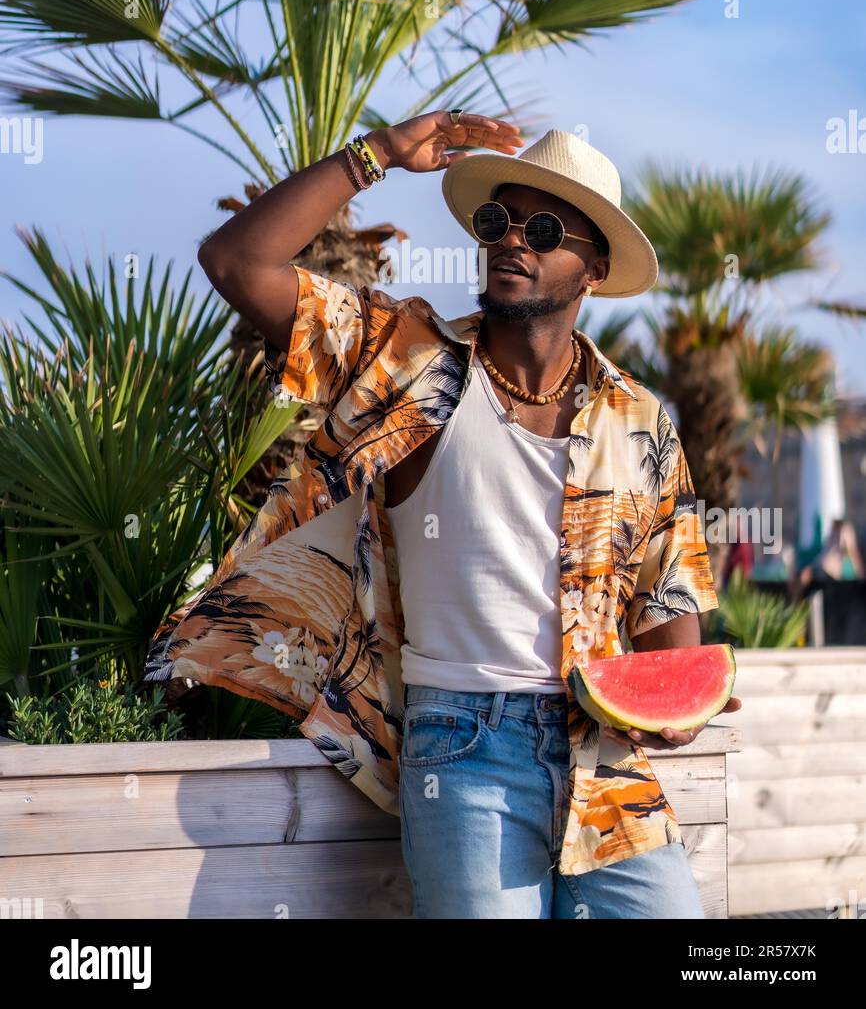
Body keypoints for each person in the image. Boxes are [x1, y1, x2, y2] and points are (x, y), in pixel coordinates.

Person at [144, 110, 740, 919]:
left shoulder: (641, 419)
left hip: (605, 757)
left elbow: (668, 601)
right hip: (461, 749)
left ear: (593, 266)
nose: (511, 242)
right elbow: (236, 260)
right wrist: (378, 153)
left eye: (541, 228)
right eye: (497, 222)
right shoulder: (407, 360)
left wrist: (681, 707)